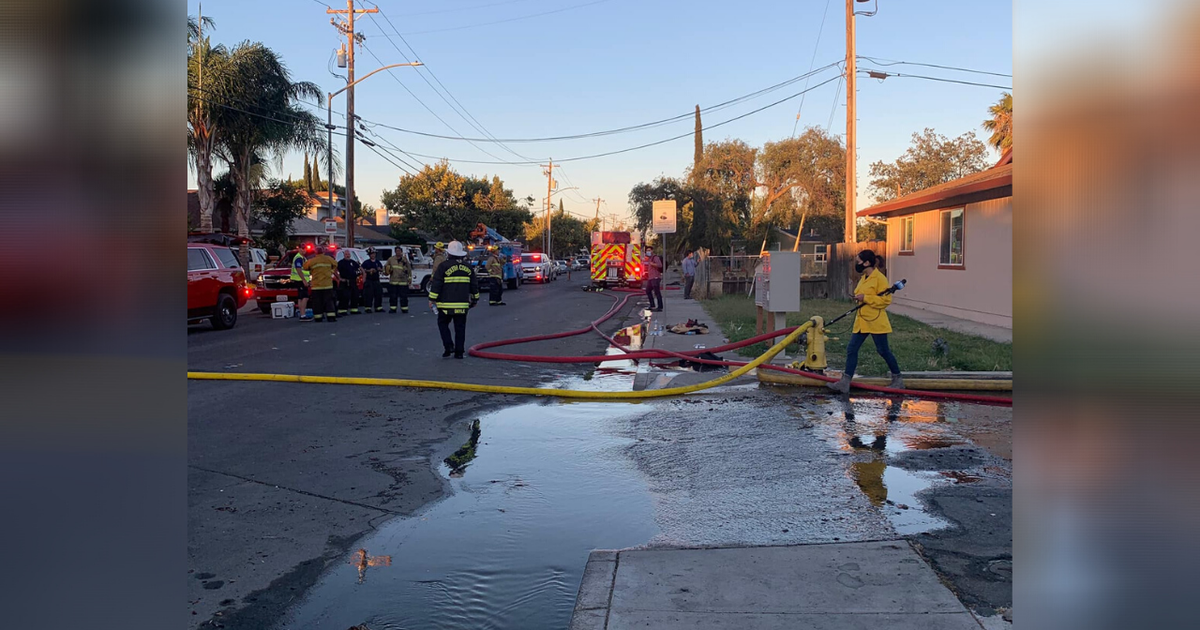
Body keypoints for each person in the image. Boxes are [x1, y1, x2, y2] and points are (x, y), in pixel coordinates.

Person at [827, 249, 903, 393]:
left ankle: (898, 379)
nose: (857, 264)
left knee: (883, 350)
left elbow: (885, 300)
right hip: (862, 322)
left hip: (876, 321)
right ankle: (845, 382)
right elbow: (862, 294)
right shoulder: (864, 278)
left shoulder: (880, 279)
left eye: (859, 261)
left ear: (867, 262)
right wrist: (858, 297)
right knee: (851, 349)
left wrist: (865, 298)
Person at [428, 241, 479, 359]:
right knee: (460, 327)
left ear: (449, 253)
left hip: (445, 305)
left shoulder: (443, 266)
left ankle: (448, 346)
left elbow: (437, 284)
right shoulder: (468, 267)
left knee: (443, 324)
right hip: (462, 304)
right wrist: (475, 299)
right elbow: (474, 285)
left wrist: (432, 299)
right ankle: (459, 352)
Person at [302, 245, 338, 322]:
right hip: (327, 285)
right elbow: (335, 264)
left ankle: (318, 317)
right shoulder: (328, 259)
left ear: (315, 252)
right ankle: (331, 317)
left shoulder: (312, 261)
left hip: (316, 285)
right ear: (324, 252)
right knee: (329, 301)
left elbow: (304, 267)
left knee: (317, 302)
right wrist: (331, 271)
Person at [384, 247, 412, 313]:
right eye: (397, 251)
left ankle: (404, 308)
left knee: (404, 297)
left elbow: (409, 269)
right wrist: (386, 271)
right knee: (393, 297)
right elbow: (385, 267)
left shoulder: (405, 260)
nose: (398, 252)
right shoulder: (391, 259)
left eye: (399, 251)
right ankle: (393, 308)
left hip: (403, 281)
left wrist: (410, 278)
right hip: (393, 281)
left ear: (401, 252)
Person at [336, 249, 362, 315]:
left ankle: (354, 309)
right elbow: (334, 270)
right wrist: (340, 278)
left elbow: (360, 268)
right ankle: (342, 310)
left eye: (348, 254)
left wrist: (363, 274)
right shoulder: (341, 263)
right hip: (345, 281)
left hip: (353, 281)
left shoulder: (353, 262)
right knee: (345, 296)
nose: (347, 256)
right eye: (346, 254)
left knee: (355, 295)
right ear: (344, 255)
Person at [291, 244, 313, 320]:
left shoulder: (303, 258)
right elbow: (298, 269)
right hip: (300, 280)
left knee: (301, 297)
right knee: (305, 297)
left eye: (305, 249)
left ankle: (302, 314)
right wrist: (304, 280)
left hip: (300, 280)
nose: (304, 250)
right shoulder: (299, 258)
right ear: (299, 249)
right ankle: (303, 315)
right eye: (302, 248)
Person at [361, 247, 384, 313]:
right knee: (368, 294)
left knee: (378, 294)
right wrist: (369, 270)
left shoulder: (377, 262)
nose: (373, 255)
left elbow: (381, 269)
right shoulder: (366, 262)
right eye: (371, 254)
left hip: (376, 280)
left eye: (374, 254)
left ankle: (378, 307)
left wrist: (380, 269)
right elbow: (362, 269)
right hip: (369, 280)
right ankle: (368, 308)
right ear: (369, 255)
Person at [643, 245, 664, 311]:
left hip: (655, 277)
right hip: (651, 278)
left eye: (649, 250)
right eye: (647, 251)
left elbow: (660, 265)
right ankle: (652, 305)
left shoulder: (655, 257)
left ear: (652, 251)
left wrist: (652, 264)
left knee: (657, 292)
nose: (648, 252)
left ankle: (660, 307)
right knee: (648, 290)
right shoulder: (649, 258)